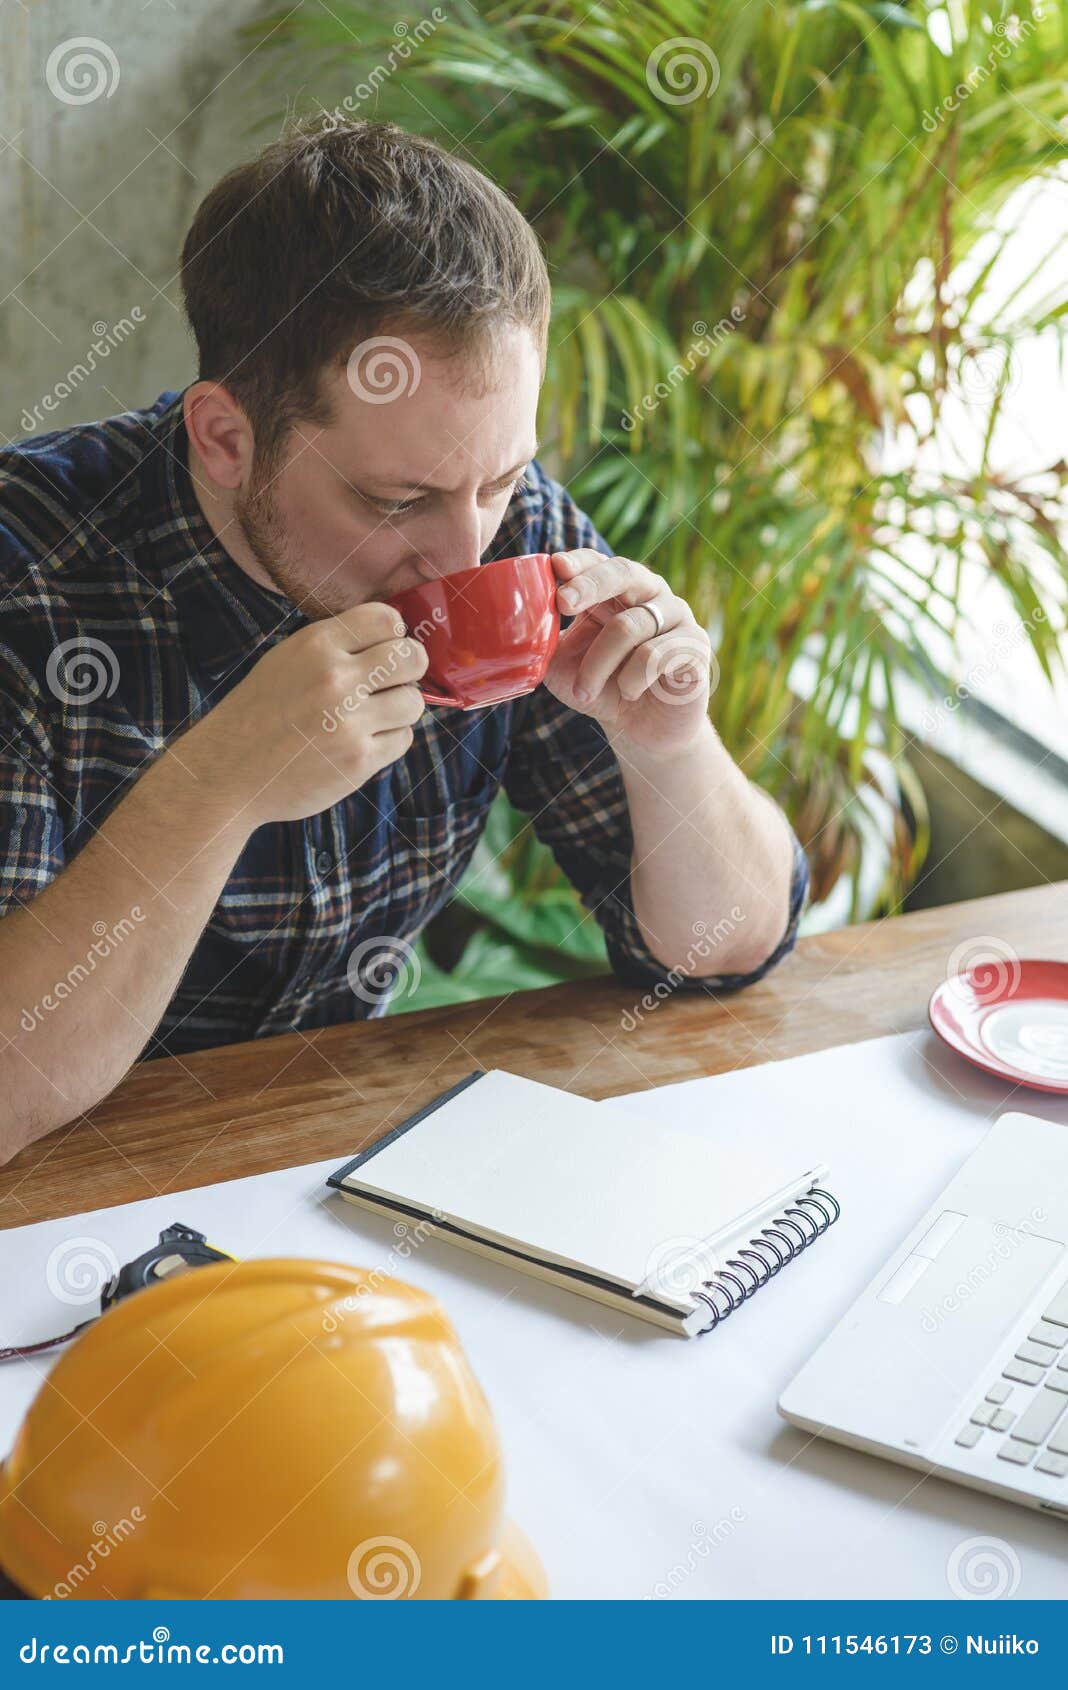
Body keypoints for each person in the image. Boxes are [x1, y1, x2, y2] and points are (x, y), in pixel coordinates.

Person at [0, 118, 808, 1164]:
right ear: (225, 437)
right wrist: (215, 790)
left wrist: (670, 748)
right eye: (397, 499)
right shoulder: (28, 578)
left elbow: (722, 953)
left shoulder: (505, 528)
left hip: (339, 1168)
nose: (463, 550)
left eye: (502, 477)